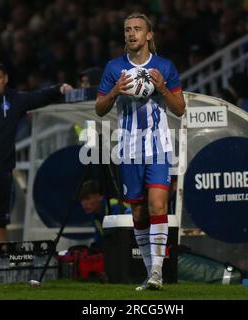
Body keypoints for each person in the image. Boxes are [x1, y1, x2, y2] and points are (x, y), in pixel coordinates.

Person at [0, 62, 72, 278]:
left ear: (5, 79)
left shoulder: (15, 100)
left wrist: (59, 88)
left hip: (1, 173)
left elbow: (39, 96)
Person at [95, 13, 185, 290]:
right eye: (127, 30)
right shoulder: (114, 67)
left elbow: (180, 108)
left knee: (157, 204)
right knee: (138, 215)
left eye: (137, 29)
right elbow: (99, 109)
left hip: (158, 144)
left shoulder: (164, 67)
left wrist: (162, 88)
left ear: (149, 35)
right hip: (128, 147)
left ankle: (157, 271)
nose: (132, 33)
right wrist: (115, 92)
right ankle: (150, 273)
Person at [78, 180, 131, 249]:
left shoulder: (115, 207)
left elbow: (120, 239)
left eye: (87, 198)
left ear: (100, 197)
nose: (84, 203)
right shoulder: (96, 216)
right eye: (82, 200)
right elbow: (100, 242)